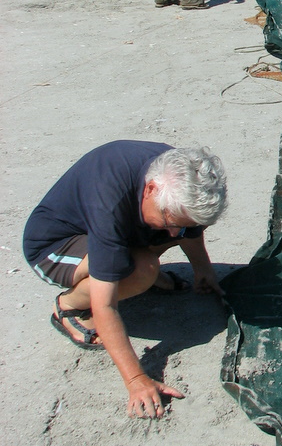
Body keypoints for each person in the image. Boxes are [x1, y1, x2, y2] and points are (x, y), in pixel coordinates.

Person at [22, 141, 228, 419]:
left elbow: (187, 228)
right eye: (171, 221)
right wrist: (136, 380)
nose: (175, 233)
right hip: (55, 247)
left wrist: (203, 269)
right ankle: (68, 307)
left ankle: (139, 266)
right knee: (141, 271)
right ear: (151, 189)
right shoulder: (110, 201)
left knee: (163, 239)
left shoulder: (182, 174)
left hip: (117, 231)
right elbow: (105, 306)